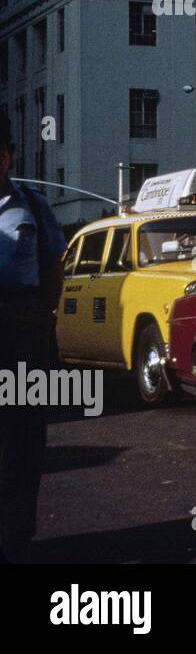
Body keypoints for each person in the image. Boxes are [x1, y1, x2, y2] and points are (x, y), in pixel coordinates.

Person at [0, 115, 64, 562]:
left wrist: (43, 315)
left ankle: (17, 535)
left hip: (22, 327)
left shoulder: (34, 206)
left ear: (6, 157)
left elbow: (54, 266)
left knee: (23, 439)